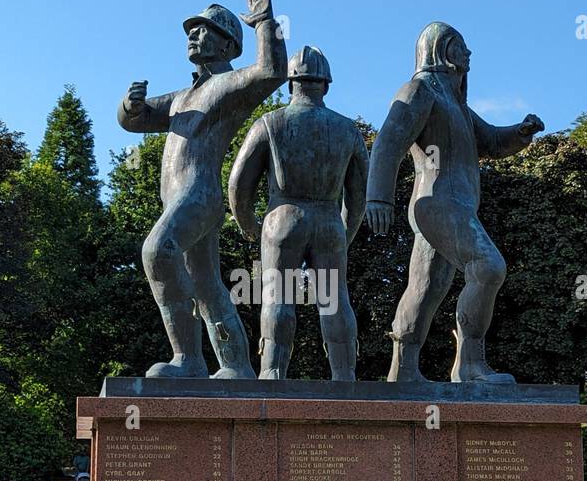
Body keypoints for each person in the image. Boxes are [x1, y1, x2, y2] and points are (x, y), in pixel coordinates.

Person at [118, 0, 287, 377]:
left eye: (204, 30)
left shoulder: (229, 85)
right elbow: (137, 122)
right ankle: (237, 367)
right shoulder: (182, 97)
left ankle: (188, 359)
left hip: (199, 194)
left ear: (228, 45)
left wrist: (264, 23)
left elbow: (271, 70)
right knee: (207, 284)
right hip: (179, 198)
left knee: (157, 251)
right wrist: (130, 107)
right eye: (191, 31)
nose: (193, 35)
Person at [366, 21, 544, 384]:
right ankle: (470, 363)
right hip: (438, 204)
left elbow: (492, 142)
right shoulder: (420, 90)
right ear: (443, 51)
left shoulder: (457, 104)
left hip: (453, 207)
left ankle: (403, 371)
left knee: (425, 288)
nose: (469, 54)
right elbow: (388, 141)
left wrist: (521, 133)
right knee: (488, 267)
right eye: (461, 46)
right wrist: (378, 197)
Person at [229, 45, 368, 380]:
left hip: (281, 219)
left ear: (290, 83)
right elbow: (358, 195)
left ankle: (272, 372)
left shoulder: (269, 124)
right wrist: (344, 232)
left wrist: (250, 226)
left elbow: (237, 184)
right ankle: (344, 375)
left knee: (278, 298)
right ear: (326, 84)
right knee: (334, 299)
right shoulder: (347, 130)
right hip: (328, 222)